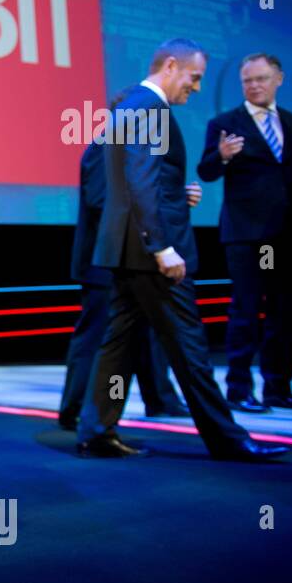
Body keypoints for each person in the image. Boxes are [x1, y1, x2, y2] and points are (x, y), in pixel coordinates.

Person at [76, 38, 288, 462]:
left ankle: (97, 430)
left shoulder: (135, 105)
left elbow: (146, 179)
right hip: (148, 253)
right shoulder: (147, 106)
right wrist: (161, 246)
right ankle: (227, 439)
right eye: (193, 78)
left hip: (127, 251)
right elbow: (139, 180)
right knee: (189, 345)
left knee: (117, 341)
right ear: (170, 66)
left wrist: (175, 194)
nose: (195, 88)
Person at [59, 90, 192, 430]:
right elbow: (104, 199)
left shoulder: (114, 148)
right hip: (104, 259)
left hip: (121, 255)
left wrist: (172, 197)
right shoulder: (104, 149)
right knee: (98, 338)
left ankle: (159, 400)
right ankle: (75, 409)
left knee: (137, 333)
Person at [196, 53, 292, 412]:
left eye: (261, 78)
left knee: (284, 312)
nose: (254, 86)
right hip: (248, 236)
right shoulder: (225, 122)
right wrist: (221, 156)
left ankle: (278, 389)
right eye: (247, 80)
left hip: (287, 233)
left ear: (278, 78)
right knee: (246, 309)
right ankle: (238, 389)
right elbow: (206, 172)